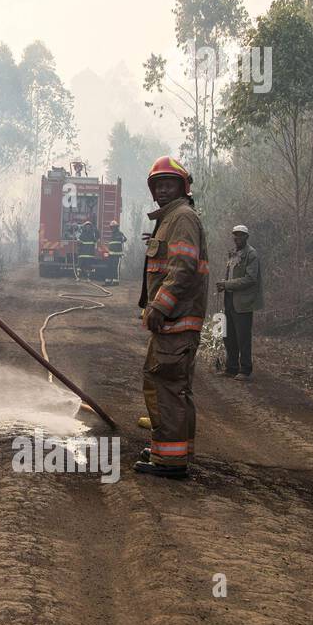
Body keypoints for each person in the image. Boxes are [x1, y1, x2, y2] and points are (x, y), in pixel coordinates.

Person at [135, 157, 209, 479]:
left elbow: (183, 268)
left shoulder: (181, 218)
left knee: (164, 384)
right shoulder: (170, 219)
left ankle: (170, 461)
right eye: (159, 185)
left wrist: (159, 307)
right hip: (175, 322)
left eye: (170, 184)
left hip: (176, 320)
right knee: (174, 386)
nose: (163, 189)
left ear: (183, 187)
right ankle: (173, 450)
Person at [217, 225, 263, 381]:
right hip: (230, 300)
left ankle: (245, 370)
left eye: (241, 235)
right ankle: (231, 368)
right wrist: (224, 283)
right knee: (228, 335)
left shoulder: (252, 254)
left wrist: (227, 284)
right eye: (235, 235)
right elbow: (230, 275)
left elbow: (250, 279)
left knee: (243, 337)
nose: (237, 238)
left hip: (243, 302)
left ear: (246, 237)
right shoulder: (232, 253)